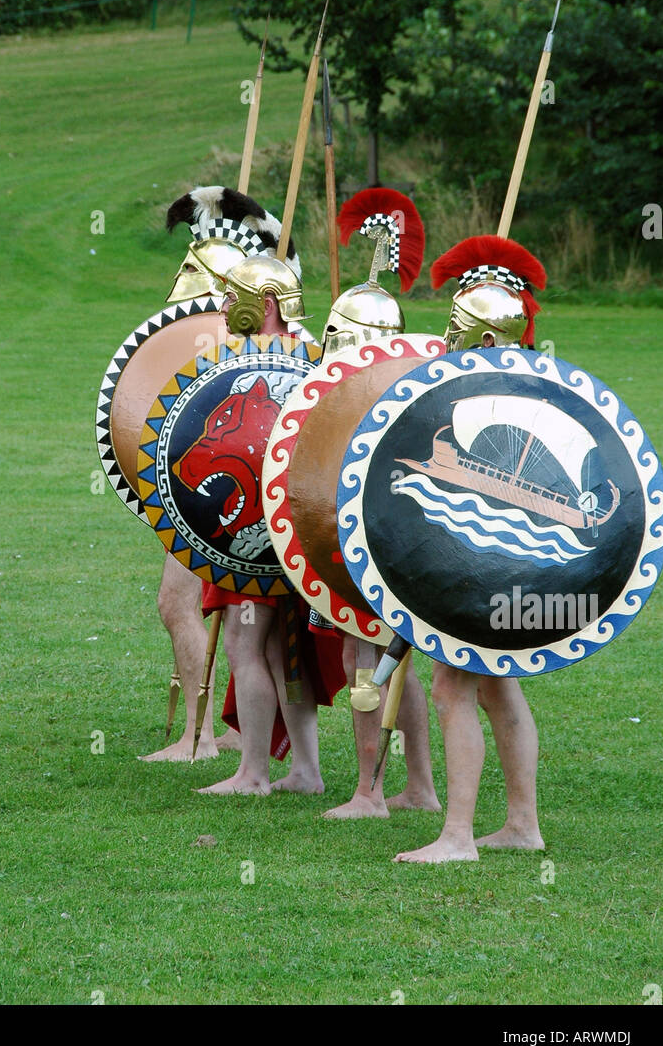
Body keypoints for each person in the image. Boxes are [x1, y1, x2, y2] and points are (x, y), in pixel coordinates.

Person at [395, 234, 547, 862]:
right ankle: (522, 825)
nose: (446, 338)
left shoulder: (485, 405)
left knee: (453, 688)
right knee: (499, 687)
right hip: (521, 573)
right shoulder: (542, 393)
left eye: (458, 325)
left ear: (485, 338)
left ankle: (457, 836)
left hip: (481, 569)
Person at [140, 187, 301, 763]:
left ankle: (204, 736)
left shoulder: (262, 349)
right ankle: (234, 738)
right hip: (229, 496)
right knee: (249, 625)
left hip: (233, 503)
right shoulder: (234, 343)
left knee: (188, 606)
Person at [311, 188, 439, 820]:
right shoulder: (411, 389)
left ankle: (370, 794)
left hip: (368, 550)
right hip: (398, 552)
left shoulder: (367, 397)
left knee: (366, 658)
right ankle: (418, 786)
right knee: (397, 659)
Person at [196, 255, 346, 795]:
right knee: (286, 647)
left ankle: (253, 772)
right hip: (294, 535)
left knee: (245, 643)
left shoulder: (270, 366)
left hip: (260, 534)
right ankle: (305, 770)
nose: (224, 305)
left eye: (234, 295)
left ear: (265, 303)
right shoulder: (315, 361)